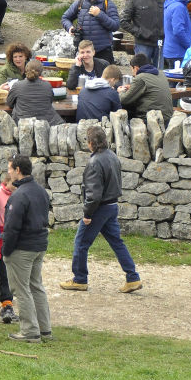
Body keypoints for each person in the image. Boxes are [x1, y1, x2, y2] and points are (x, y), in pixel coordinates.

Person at [60, 125, 142, 293]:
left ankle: (80, 279)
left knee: (81, 242)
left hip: (99, 208)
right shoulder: (112, 156)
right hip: (112, 206)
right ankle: (132, 277)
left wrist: (87, 214)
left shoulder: (94, 162)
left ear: (91, 143)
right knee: (117, 242)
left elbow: (94, 194)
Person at [2, 156, 52, 343]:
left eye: (10, 169)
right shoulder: (40, 191)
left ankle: (30, 331)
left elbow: (12, 227)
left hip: (22, 248)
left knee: (21, 290)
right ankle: (44, 329)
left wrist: (6, 251)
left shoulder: (19, 194)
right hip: (39, 245)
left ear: (17, 170)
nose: (8, 172)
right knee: (36, 286)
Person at [61, 0, 119, 65]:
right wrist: (70, 28)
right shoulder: (79, 3)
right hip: (83, 52)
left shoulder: (108, 4)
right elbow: (65, 18)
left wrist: (100, 15)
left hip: (103, 52)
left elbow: (115, 26)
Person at [120, 0, 165, 65]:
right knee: (142, 73)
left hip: (160, 45)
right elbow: (123, 21)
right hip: (143, 44)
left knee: (159, 74)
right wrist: (140, 32)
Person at [0, 171, 17, 324]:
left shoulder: (19, 195)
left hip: (12, 235)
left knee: (7, 269)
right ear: (6, 182)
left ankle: (7, 301)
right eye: (12, 185)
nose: (15, 188)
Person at [7, 59, 64, 125]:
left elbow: (9, 103)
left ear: (26, 70)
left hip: (22, 123)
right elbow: (49, 102)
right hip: (46, 122)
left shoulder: (17, 85)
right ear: (41, 72)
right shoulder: (47, 85)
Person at [120, 53, 174, 119]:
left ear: (136, 68)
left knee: (123, 107)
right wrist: (132, 87)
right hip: (167, 115)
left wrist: (121, 91)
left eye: (132, 69)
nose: (132, 73)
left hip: (151, 117)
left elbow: (124, 100)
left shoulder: (140, 78)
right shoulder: (161, 73)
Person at [161, 0, 191, 69]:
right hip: (178, 52)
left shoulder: (173, 3)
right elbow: (178, 31)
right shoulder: (178, 7)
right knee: (177, 82)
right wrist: (190, 47)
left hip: (172, 51)